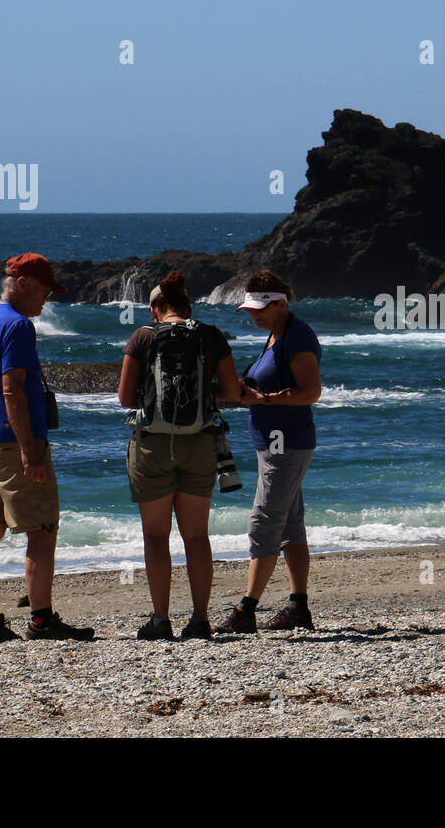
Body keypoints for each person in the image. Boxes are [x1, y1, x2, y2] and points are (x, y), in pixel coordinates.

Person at [0, 253, 95, 643]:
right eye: (43, 290)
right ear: (21, 284)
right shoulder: (19, 327)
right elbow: (11, 388)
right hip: (15, 442)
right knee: (42, 531)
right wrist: (29, 451)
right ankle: (41, 619)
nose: (46, 299)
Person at [118, 272, 239, 640]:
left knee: (156, 536)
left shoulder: (142, 337)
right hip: (199, 442)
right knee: (197, 536)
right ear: (189, 307)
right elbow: (231, 391)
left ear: (155, 309)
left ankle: (160, 620)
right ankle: (200, 620)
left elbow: (124, 398)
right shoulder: (210, 334)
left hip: (153, 444)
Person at [214, 270, 323, 634]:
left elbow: (310, 391)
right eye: (250, 309)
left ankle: (247, 610)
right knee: (290, 525)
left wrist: (268, 399)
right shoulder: (278, 335)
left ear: (281, 303)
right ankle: (298, 607)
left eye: (260, 308)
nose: (253, 315)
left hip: (285, 442)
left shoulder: (297, 336)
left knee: (264, 522)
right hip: (275, 441)